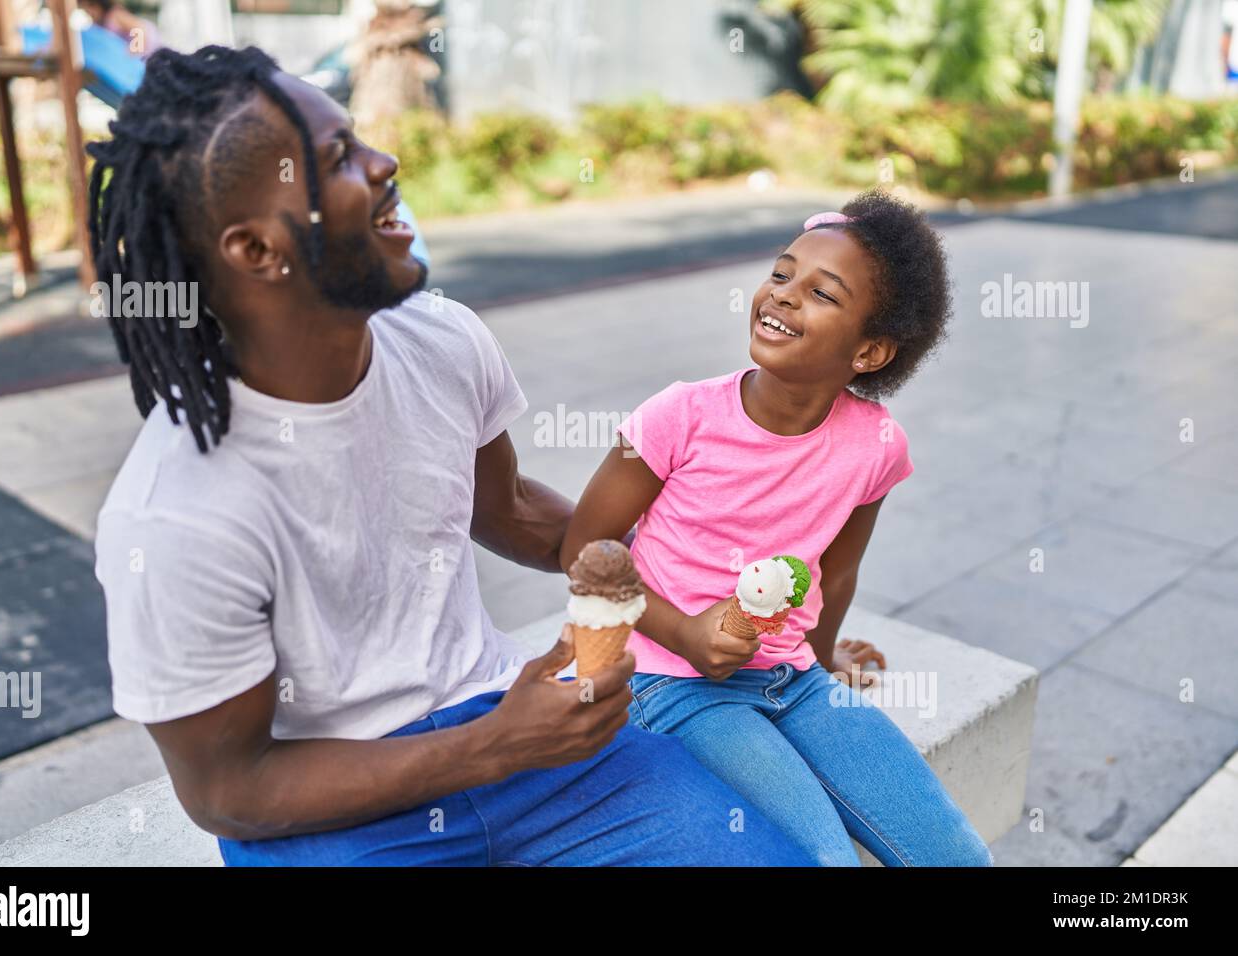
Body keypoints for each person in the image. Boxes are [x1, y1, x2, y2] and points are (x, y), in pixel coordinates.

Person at [86, 45, 812, 866]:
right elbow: (230, 792)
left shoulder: (438, 338)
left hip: (524, 738)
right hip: (335, 813)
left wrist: (677, 580)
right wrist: (494, 748)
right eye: (338, 160)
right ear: (256, 251)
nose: (384, 162)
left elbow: (506, 509)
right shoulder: (177, 512)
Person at [561, 193, 995, 866]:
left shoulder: (876, 445)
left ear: (870, 350)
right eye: (782, 273)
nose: (783, 296)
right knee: (825, 860)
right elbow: (585, 553)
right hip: (669, 681)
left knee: (956, 855)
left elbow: (837, 571)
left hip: (791, 680)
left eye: (822, 293)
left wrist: (823, 661)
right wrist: (684, 633)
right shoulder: (679, 414)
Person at [78, 0, 162, 58]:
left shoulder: (115, 15)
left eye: (91, 5)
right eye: (85, 8)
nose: (89, 11)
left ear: (100, 5)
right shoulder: (97, 26)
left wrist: (134, 52)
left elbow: (139, 29)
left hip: (147, 44)